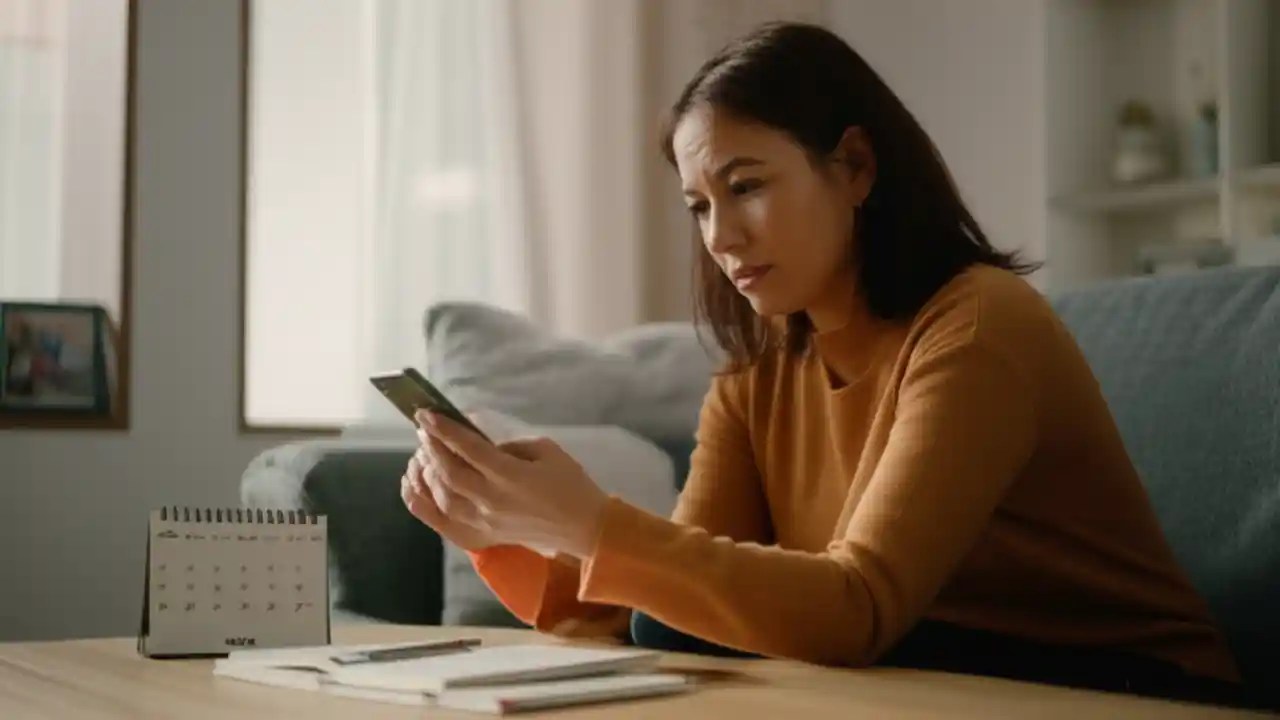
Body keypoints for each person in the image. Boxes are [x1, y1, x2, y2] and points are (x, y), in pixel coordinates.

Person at [401, 22, 1251, 707]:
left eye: (747, 186)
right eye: (700, 205)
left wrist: (592, 523)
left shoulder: (979, 327)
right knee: (673, 631)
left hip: (1128, 688)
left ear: (854, 167)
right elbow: (666, 610)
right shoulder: (756, 374)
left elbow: (858, 610)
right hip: (945, 674)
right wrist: (507, 533)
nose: (721, 237)